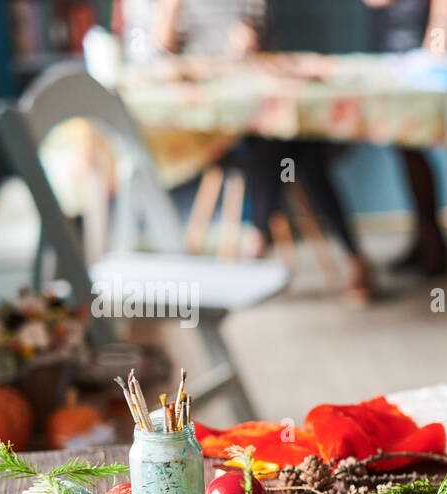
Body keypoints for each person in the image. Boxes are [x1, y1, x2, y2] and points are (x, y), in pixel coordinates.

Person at [151, 0, 376, 301]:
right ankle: (353, 257)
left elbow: (267, 54)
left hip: (255, 120)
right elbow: (156, 57)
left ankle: (259, 238)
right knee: (292, 149)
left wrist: (251, 47)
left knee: (293, 143)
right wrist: (170, 12)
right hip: (210, 134)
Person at [364, 0, 447, 278]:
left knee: (414, 148)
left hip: (418, 60)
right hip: (388, 59)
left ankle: (433, 242)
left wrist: (433, 57)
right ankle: (424, 238)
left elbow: (444, 12)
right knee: (404, 149)